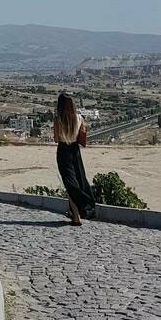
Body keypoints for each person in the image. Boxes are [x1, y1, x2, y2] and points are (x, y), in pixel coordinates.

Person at [53, 92, 96, 226]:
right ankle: (78, 212)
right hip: (75, 151)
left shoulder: (58, 118)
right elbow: (82, 137)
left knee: (70, 183)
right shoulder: (80, 118)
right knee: (78, 179)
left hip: (63, 150)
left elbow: (56, 139)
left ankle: (77, 215)